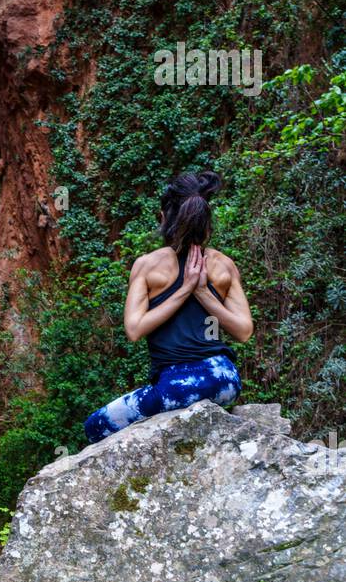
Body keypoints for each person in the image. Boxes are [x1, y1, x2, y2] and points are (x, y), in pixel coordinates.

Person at [83, 171, 254, 443]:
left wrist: (191, 289)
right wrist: (198, 292)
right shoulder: (223, 265)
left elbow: (135, 329)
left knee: (94, 426)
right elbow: (244, 331)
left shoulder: (148, 266)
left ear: (163, 219)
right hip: (226, 381)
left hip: (177, 387)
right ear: (206, 224)